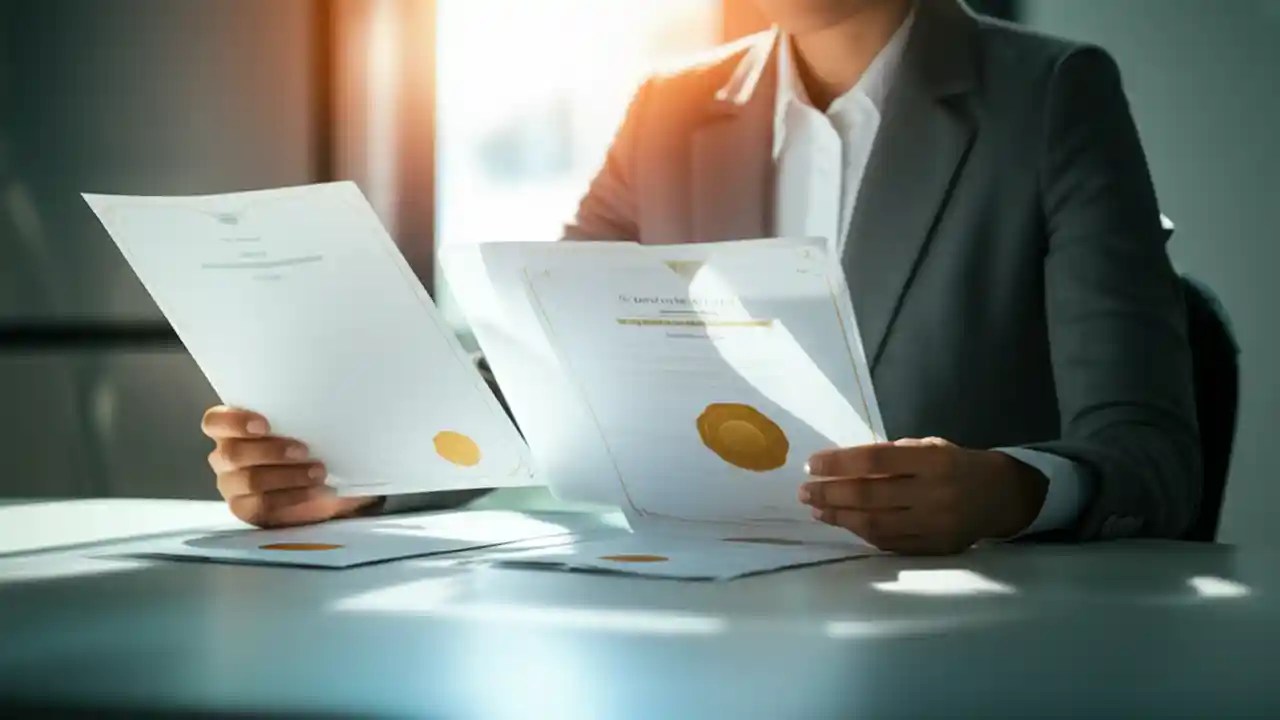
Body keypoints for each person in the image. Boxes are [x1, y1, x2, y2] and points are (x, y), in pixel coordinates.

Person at [201, 0, 1200, 554]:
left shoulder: (1052, 93)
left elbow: (1146, 451)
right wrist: (356, 476)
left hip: (965, 641)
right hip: (701, 614)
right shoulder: (667, 110)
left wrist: (1009, 490)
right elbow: (538, 357)